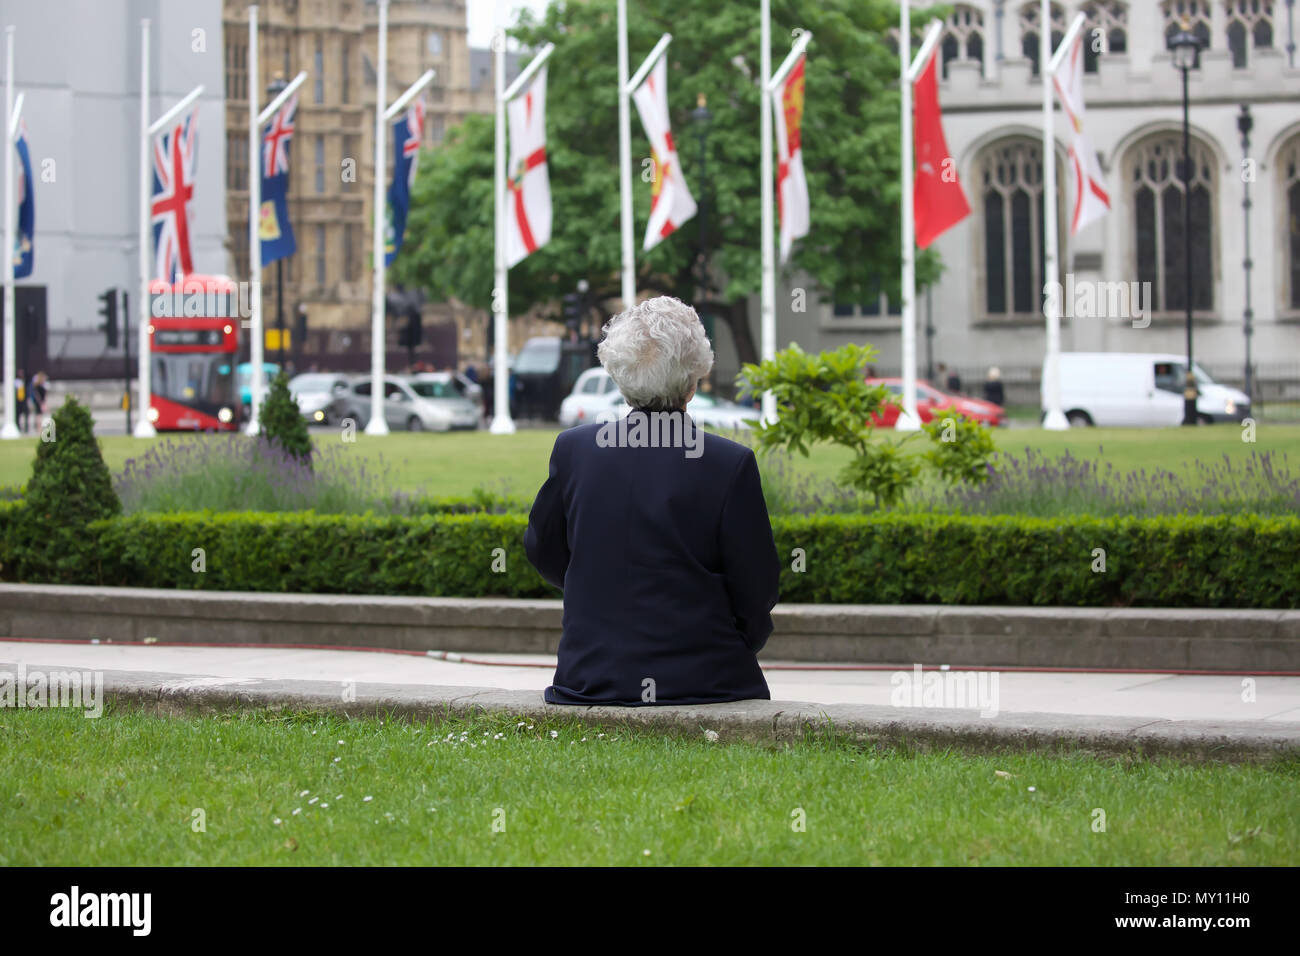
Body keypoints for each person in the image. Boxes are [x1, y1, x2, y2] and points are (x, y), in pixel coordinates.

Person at [525, 296, 780, 705]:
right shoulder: (728, 463)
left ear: (619, 375)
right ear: (696, 379)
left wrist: (597, 595)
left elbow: (542, 550)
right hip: (708, 679)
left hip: (591, 676)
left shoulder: (575, 451)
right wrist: (740, 641)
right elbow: (757, 586)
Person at [14, 367, 26, 432]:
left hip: (22, 400)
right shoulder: (16, 381)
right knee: (17, 414)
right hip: (17, 401)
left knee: (23, 414)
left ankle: (23, 427)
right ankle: (17, 425)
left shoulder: (23, 381)